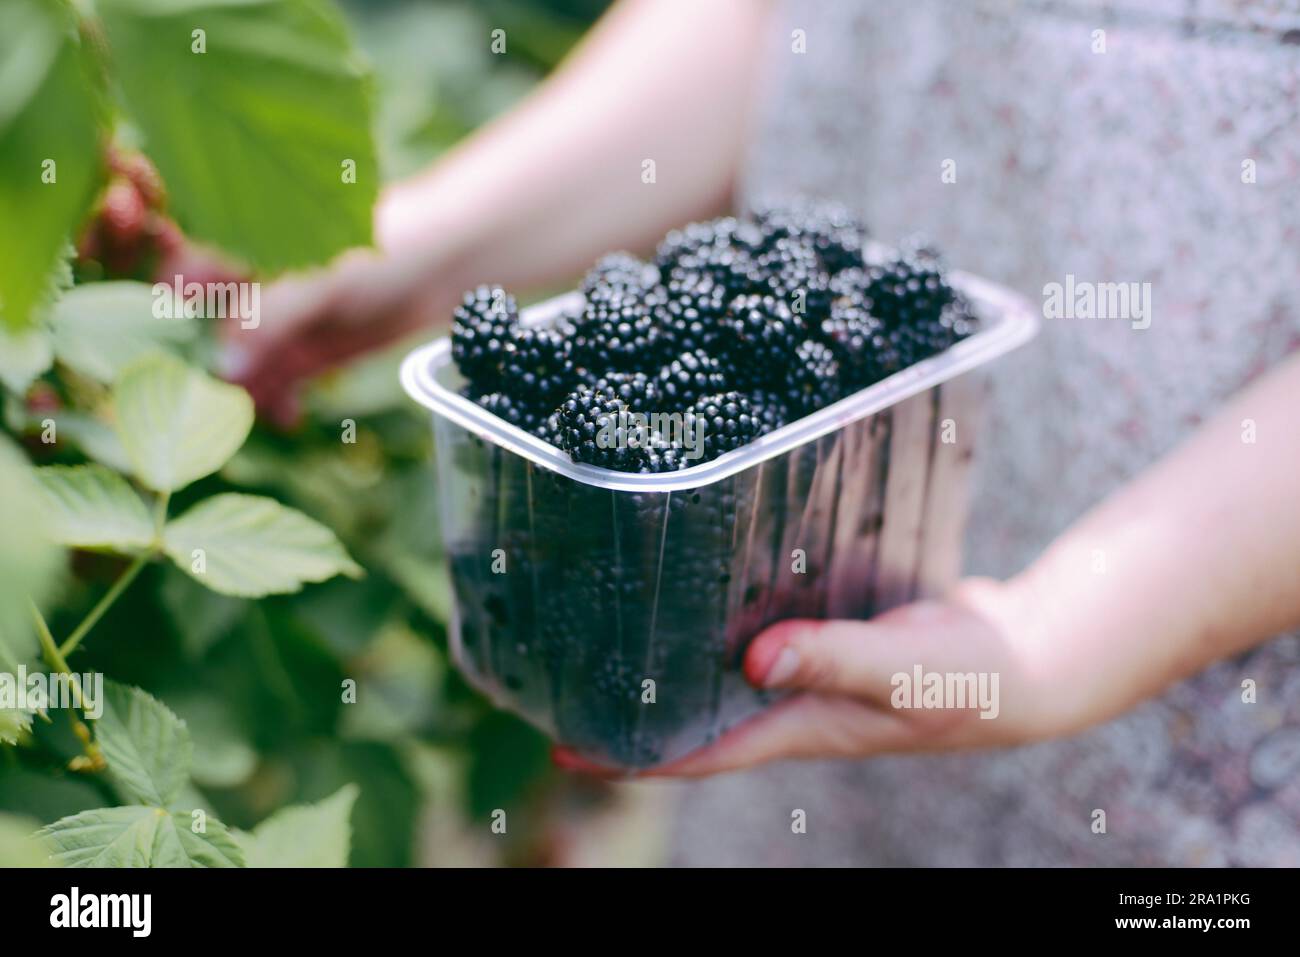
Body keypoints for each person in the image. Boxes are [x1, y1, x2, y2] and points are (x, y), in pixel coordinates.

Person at [223, 0, 1300, 865]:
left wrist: (1059, 636)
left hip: (1187, 701)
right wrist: (417, 242)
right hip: (766, 600)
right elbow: (767, 22)